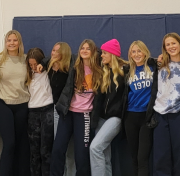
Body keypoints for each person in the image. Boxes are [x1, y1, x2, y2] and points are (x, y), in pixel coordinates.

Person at [51, 39, 102, 176]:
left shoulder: (99, 69)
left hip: (84, 115)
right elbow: (49, 58)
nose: (84, 51)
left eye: (88, 48)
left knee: (81, 155)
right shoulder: (73, 64)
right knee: (57, 149)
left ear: (93, 52)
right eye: (82, 48)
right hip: (67, 113)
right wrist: (41, 63)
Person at [149, 33, 180, 176]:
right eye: (168, 44)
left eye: (174, 43)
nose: (171, 47)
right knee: (161, 154)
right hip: (160, 113)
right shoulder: (160, 64)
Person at [0, 30, 31, 176]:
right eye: (9, 40)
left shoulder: (26, 59)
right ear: (5, 43)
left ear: (19, 42)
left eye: (15, 40)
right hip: (3, 104)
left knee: (22, 146)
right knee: (9, 144)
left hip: (23, 105)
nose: (12, 43)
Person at [90, 39, 127, 176]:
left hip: (115, 118)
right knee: (104, 156)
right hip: (101, 118)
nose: (102, 55)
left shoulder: (125, 71)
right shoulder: (104, 72)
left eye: (105, 53)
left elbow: (145, 62)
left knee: (95, 147)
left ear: (112, 54)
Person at [124, 40, 157, 176]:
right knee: (134, 158)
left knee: (142, 158)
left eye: (139, 51)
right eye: (133, 52)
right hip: (130, 117)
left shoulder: (153, 68)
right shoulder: (127, 71)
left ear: (145, 53)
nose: (137, 54)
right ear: (130, 54)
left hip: (146, 117)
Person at [27, 48, 54, 176]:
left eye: (35, 64)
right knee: (34, 152)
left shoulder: (50, 70)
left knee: (46, 150)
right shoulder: (28, 74)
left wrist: (44, 63)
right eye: (30, 64)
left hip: (48, 110)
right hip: (33, 112)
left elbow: (60, 56)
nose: (33, 67)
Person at [48, 42, 71, 135]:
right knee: (56, 135)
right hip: (55, 107)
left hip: (67, 108)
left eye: (58, 51)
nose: (54, 53)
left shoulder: (69, 69)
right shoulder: (49, 67)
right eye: (53, 50)